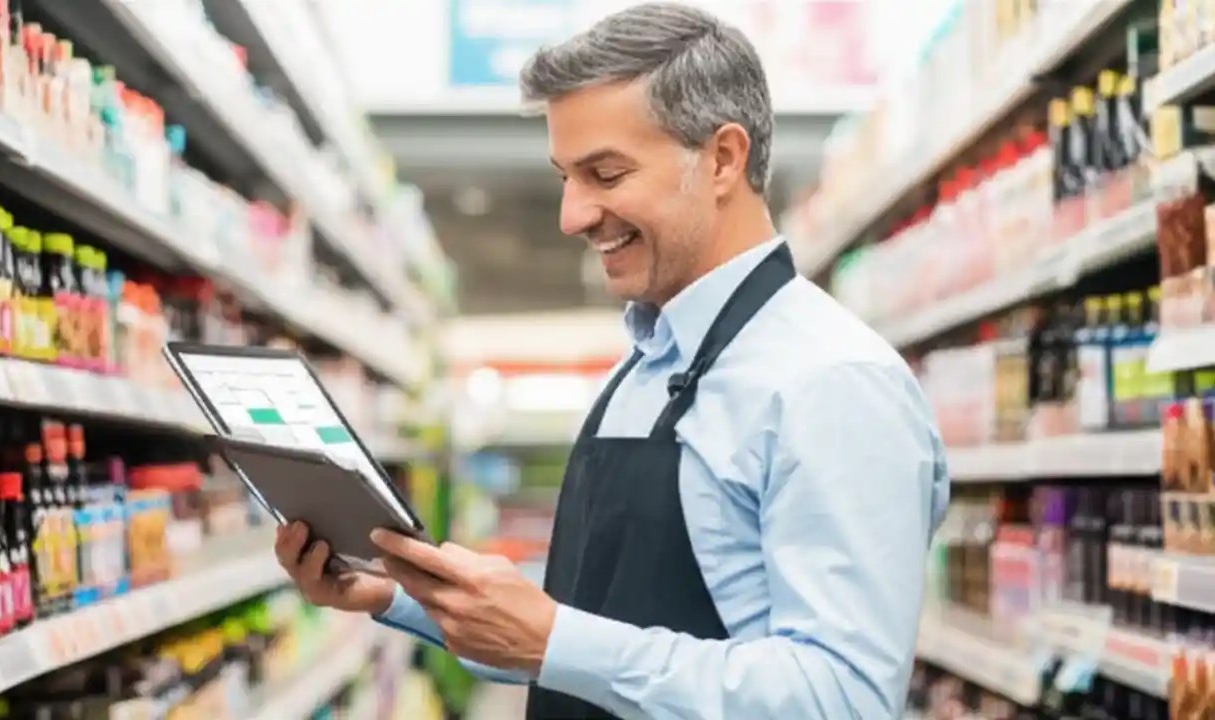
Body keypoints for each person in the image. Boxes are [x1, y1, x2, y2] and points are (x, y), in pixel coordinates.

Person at [274, 3, 950, 718]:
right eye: (566, 176)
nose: (572, 215)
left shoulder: (832, 383)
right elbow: (595, 641)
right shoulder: (648, 366)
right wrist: (399, 597)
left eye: (606, 173)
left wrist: (554, 642)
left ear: (723, 158)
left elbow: (841, 698)